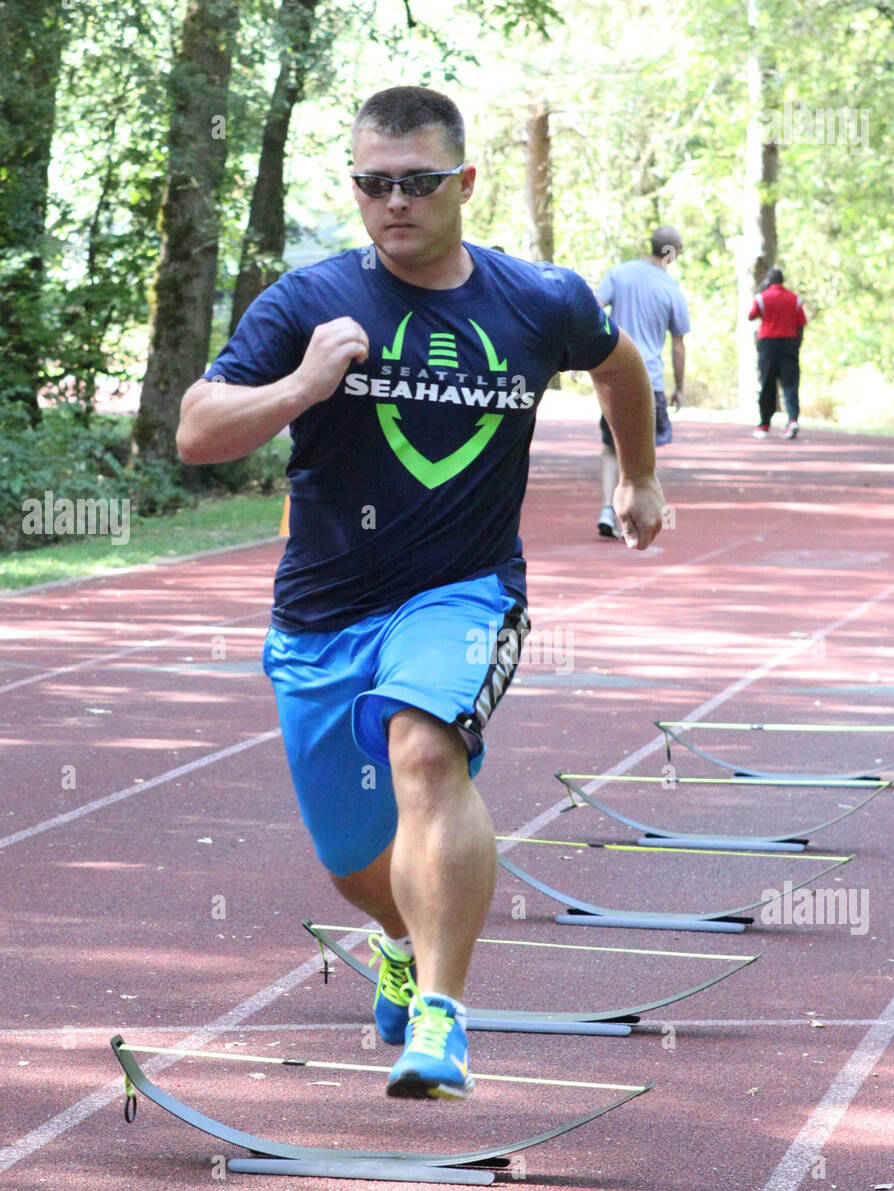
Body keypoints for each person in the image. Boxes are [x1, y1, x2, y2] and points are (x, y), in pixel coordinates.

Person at [175, 86, 664, 1102]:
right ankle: (399, 935)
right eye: (372, 182)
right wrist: (300, 388)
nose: (393, 201)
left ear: (464, 183)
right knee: (355, 858)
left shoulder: (538, 301)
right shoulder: (307, 302)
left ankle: (440, 1015)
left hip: (462, 593)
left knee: (422, 745)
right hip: (319, 620)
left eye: (417, 182)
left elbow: (620, 369)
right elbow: (198, 431)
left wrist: (637, 474)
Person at [595, 226, 690, 538]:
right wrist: (679, 386)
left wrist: (584, 357)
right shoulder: (671, 288)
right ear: (672, 253)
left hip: (613, 377)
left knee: (611, 448)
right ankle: (635, 517)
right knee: (641, 455)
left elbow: (593, 310)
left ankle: (609, 510)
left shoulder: (619, 273)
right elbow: (678, 343)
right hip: (650, 380)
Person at [749, 268, 806, 440]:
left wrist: (761, 290)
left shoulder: (762, 297)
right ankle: (793, 420)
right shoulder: (795, 299)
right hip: (790, 343)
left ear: (769, 281)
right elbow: (801, 323)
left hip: (768, 344)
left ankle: (764, 424)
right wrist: (797, 344)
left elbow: (751, 315)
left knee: (767, 383)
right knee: (790, 384)